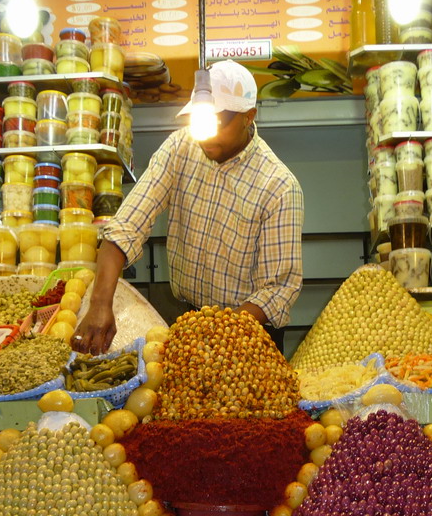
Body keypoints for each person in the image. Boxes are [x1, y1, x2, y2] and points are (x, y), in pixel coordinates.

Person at [72, 59, 304, 355]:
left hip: (250, 333)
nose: (205, 136)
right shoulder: (181, 148)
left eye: (218, 122)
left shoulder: (279, 186)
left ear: (248, 116)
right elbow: (126, 226)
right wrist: (100, 304)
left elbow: (278, 290)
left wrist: (217, 334)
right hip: (189, 317)